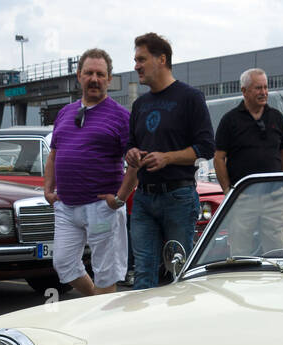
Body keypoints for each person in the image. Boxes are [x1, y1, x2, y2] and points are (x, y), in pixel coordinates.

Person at [124, 33, 214, 290]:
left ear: (161, 59)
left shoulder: (190, 98)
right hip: (143, 198)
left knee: (179, 271)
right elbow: (130, 143)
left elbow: (207, 146)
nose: (136, 66)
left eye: (141, 59)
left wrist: (168, 158)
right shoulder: (140, 104)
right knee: (143, 271)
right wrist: (130, 153)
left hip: (178, 196)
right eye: (135, 60)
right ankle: (144, 328)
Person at [44, 48, 133, 295]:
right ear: (78, 76)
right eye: (89, 73)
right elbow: (53, 153)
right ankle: (97, 301)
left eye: (100, 74)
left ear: (109, 79)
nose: (94, 79)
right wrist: (48, 189)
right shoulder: (65, 113)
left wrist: (120, 198)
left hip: (102, 208)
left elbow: (135, 163)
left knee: (107, 271)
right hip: (67, 206)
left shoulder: (121, 117)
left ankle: (104, 323)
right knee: (63, 263)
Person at [214, 68, 283, 256]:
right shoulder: (230, 120)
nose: (264, 92)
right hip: (243, 197)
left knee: (277, 250)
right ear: (244, 91)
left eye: (265, 87)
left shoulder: (277, 117)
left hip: (275, 197)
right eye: (258, 88)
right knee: (241, 251)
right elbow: (218, 158)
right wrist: (227, 191)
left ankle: (275, 283)